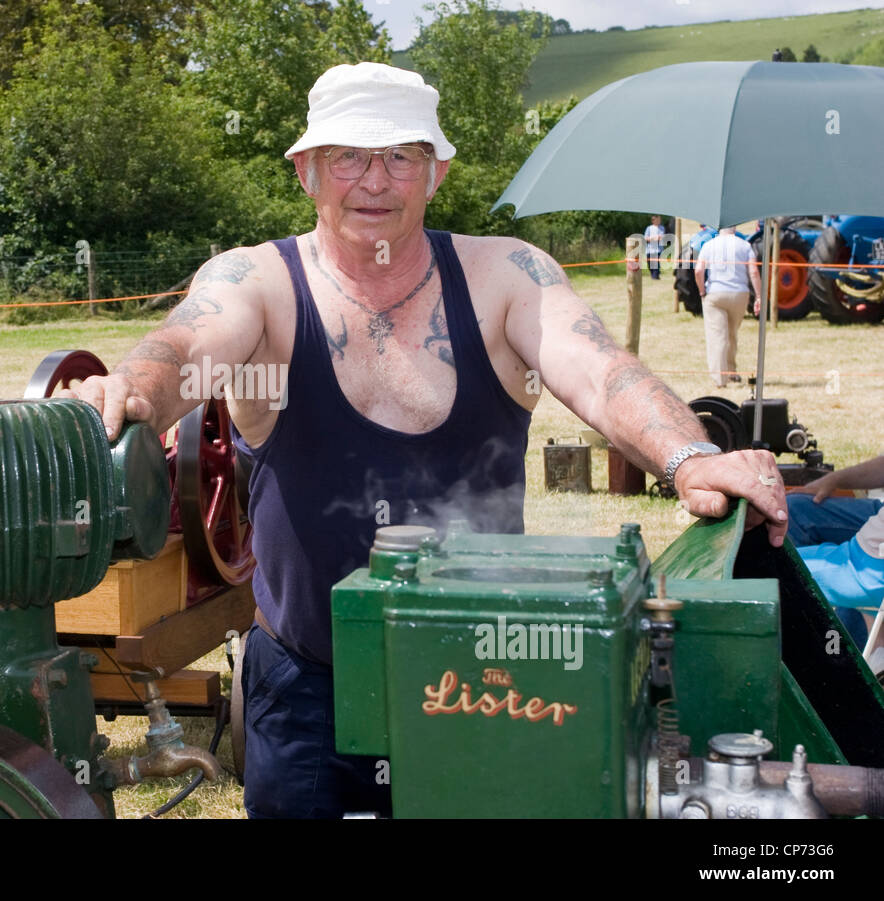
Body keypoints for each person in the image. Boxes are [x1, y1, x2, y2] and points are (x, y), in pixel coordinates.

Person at [61, 62, 788, 819]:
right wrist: (134, 393)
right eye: (348, 156)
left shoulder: (506, 275)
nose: (374, 181)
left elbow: (602, 373)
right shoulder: (258, 284)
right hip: (307, 691)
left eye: (400, 157)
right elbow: (185, 347)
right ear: (307, 171)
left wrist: (689, 455)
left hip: (482, 679)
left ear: (435, 173)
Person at [788, 458, 884, 649]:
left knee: (779, 570)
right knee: (793, 510)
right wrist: (833, 479)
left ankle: (843, 656)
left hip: (874, 566)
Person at [694, 226, 761, 387]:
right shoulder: (745, 245)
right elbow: (753, 272)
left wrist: (702, 291)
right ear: (735, 228)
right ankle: (732, 371)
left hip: (715, 294)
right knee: (732, 334)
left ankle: (720, 379)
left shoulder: (708, 245)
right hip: (739, 294)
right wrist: (758, 296)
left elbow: (698, 271)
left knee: (717, 337)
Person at [644, 215, 665, 280]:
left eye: (659, 219)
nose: (659, 221)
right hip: (650, 250)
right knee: (650, 264)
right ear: (653, 220)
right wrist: (654, 238)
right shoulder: (649, 228)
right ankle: (654, 275)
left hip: (658, 250)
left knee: (656, 264)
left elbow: (661, 237)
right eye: (657, 219)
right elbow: (646, 238)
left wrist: (652, 238)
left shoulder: (662, 228)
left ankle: (655, 276)